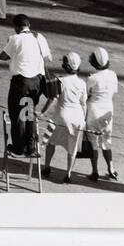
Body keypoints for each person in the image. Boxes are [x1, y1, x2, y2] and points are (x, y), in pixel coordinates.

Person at [0, 14, 52, 155]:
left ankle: (18, 147)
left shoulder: (15, 39)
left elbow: (2, 56)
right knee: (29, 113)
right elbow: (49, 58)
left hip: (21, 82)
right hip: (36, 82)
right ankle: (31, 146)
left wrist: (10, 44)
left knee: (17, 114)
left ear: (17, 27)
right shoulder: (39, 37)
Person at [43, 52, 88, 182]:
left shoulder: (60, 80)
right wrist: (83, 121)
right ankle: (68, 174)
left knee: (51, 142)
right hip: (77, 118)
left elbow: (53, 98)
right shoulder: (82, 83)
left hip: (61, 117)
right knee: (73, 148)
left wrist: (42, 112)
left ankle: (47, 167)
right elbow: (83, 104)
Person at [84, 47, 120, 181]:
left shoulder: (92, 78)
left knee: (93, 143)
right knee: (106, 141)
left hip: (93, 111)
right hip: (108, 110)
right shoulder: (113, 75)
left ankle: (95, 172)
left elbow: (86, 95)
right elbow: (113, 92)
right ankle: (111, 168)